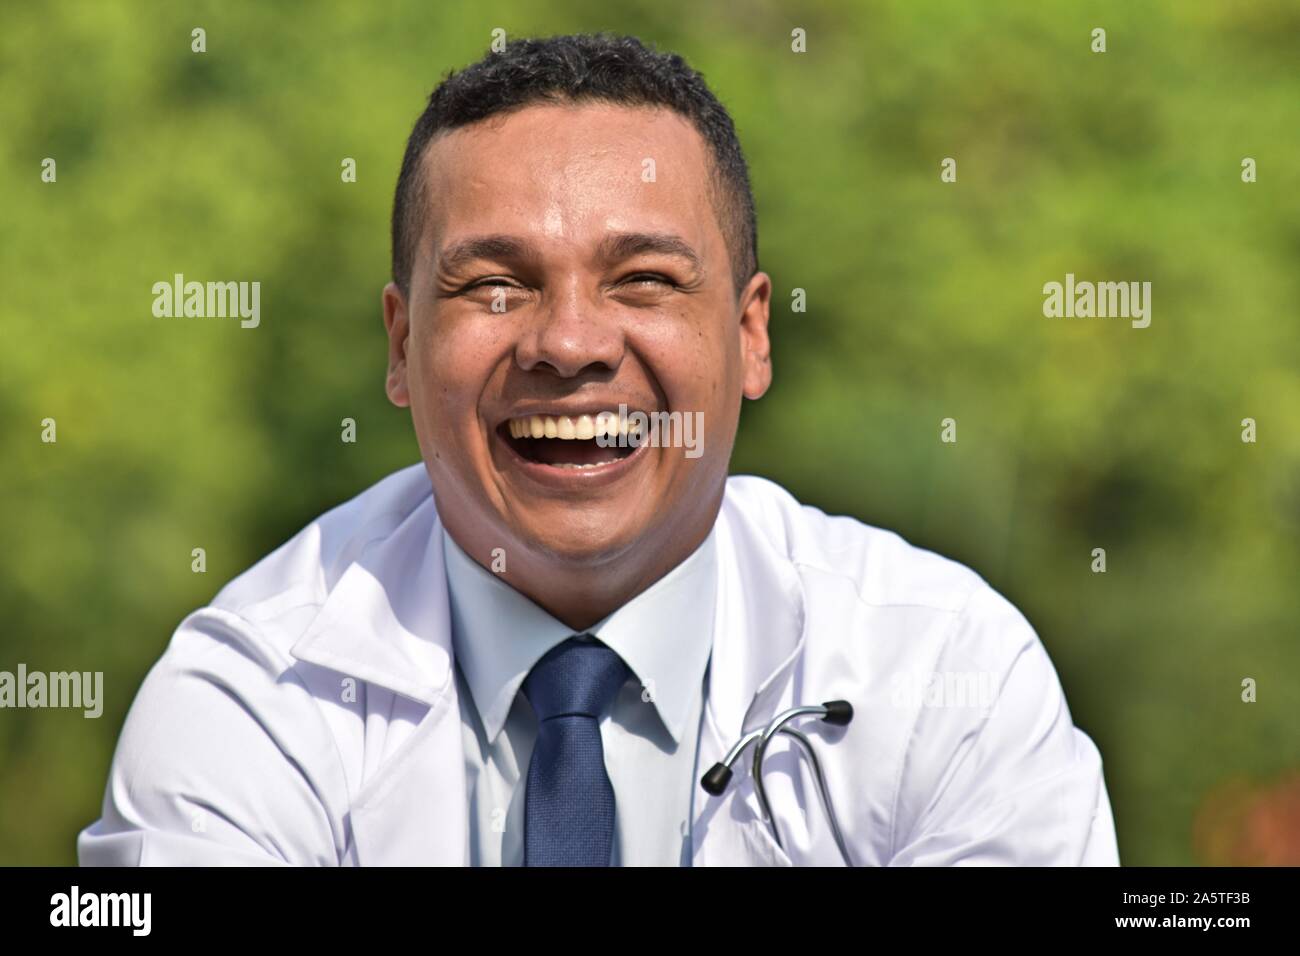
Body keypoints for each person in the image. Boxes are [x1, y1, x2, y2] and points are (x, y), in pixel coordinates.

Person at [78, 33, 1119, 866]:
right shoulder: (251, 696)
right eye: (495, 283)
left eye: (644, 280)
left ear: (750, 334)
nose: (569, 343)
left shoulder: (946, 673)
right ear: (401, 346)